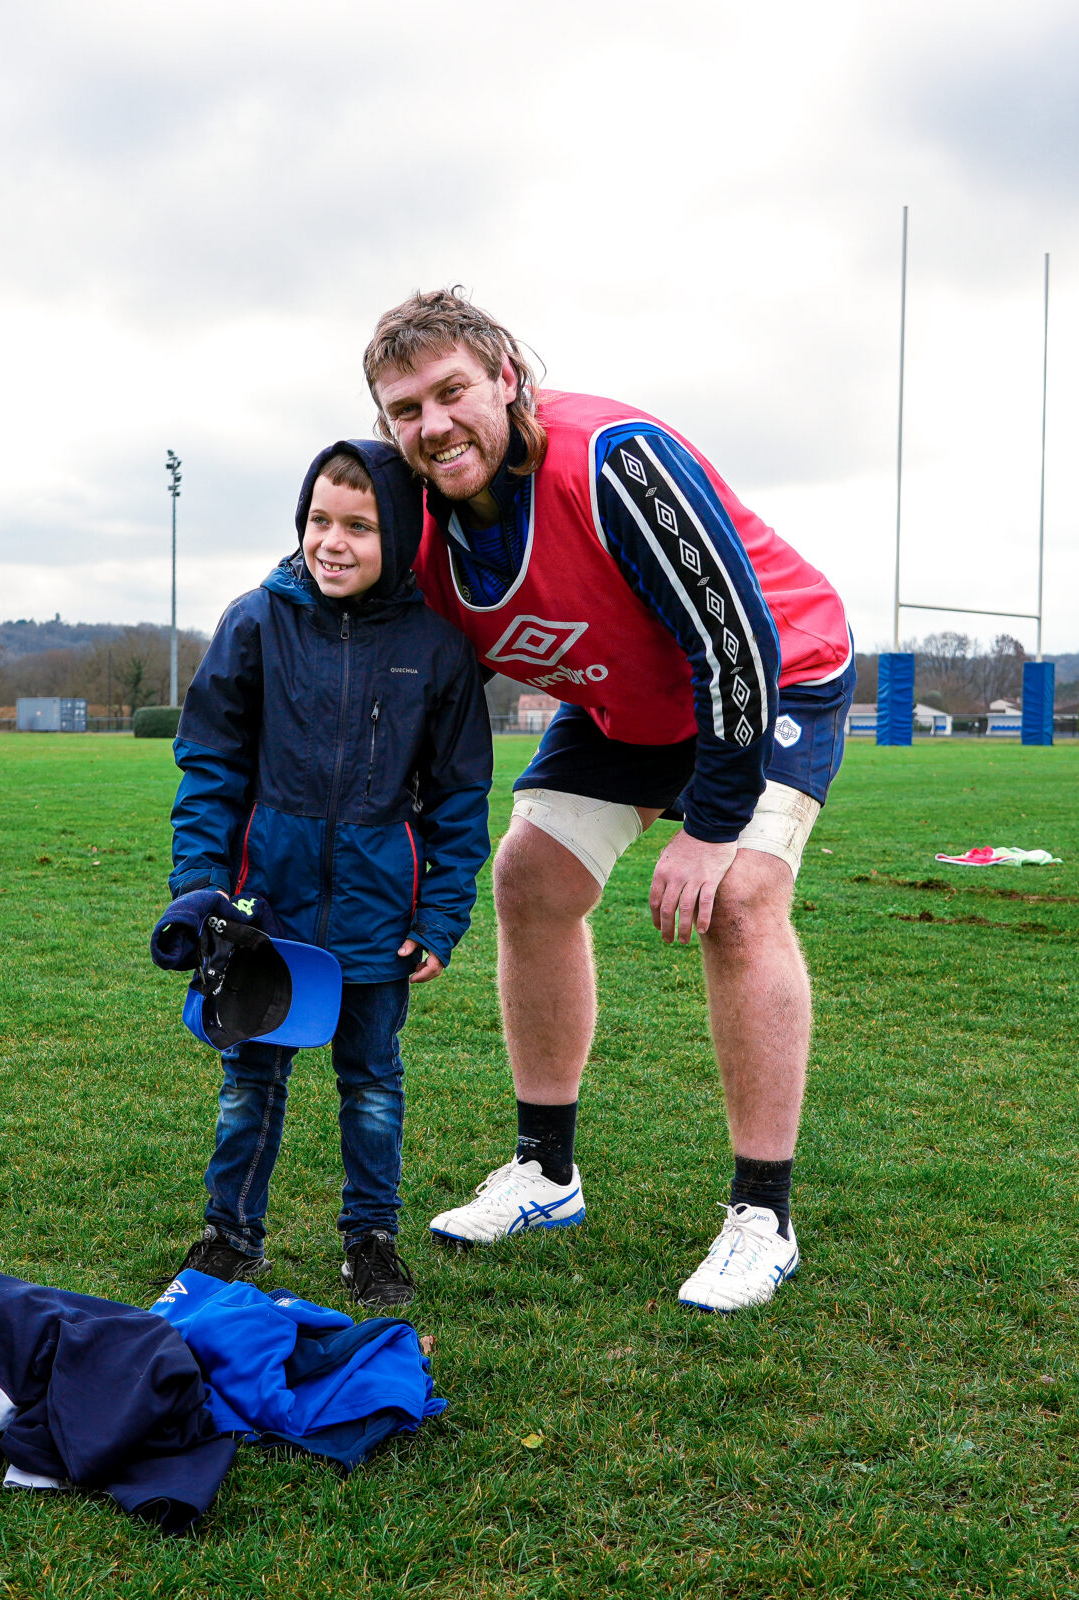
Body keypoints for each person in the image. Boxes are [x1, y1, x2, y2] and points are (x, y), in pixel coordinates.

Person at [364, 289, 854, 1313]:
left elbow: (733, 643)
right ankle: (546, 1173)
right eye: (404, 408)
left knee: (739, 898)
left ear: (506, 377)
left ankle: (762, 1214)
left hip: (773, 672)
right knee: (530, 879)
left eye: (451, 390)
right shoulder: (413, 522)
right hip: (622, 696)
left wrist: (711, 829)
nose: (433, 424)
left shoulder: (612, 461)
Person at [154, 440, 493, 1308]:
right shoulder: (255, 623)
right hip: (265, 910)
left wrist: (442, 914)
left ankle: (371, 1242)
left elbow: (459, 800)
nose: (331, 542)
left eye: (358, 525)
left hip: (381, 917)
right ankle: (231, 1239)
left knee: (372, 1083)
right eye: (318, 520)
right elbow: (210, 767)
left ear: (403, 535)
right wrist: (202, 888)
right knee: (250, 1083)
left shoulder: (437, 649)